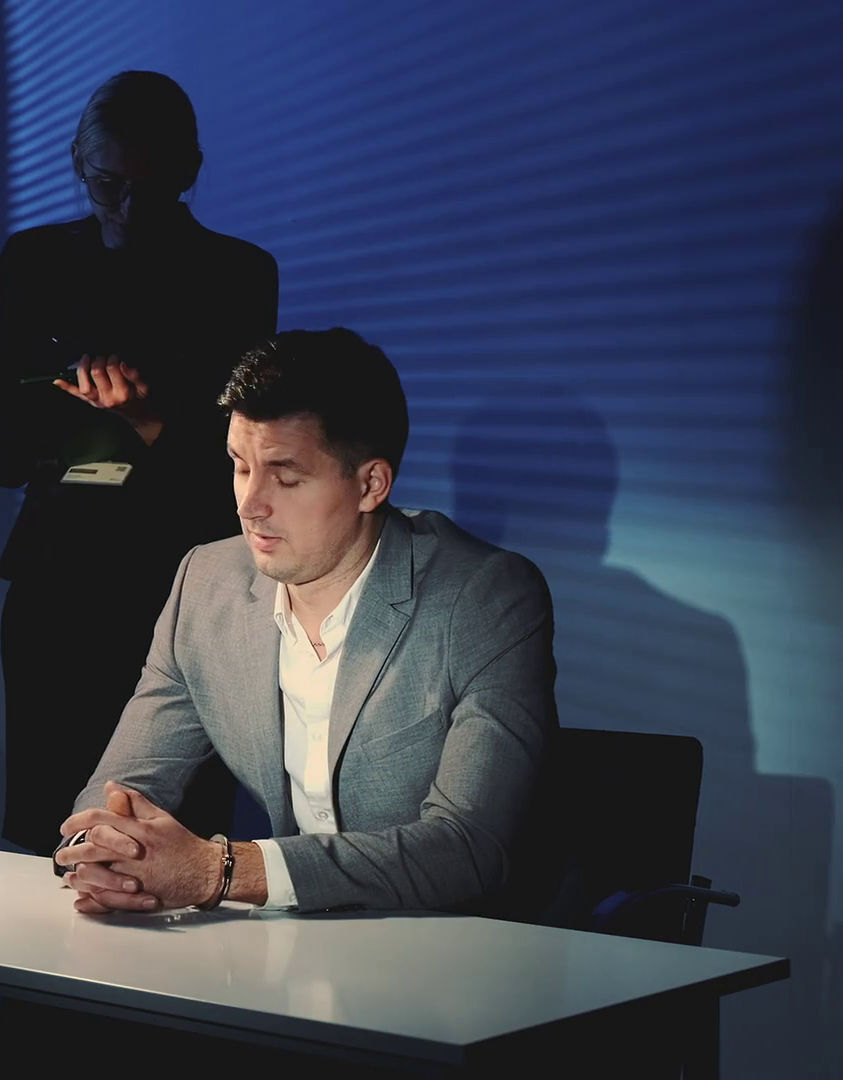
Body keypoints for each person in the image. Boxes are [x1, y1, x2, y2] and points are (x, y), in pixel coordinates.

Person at [56, 329, 557, 915]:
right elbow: (122, 788)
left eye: (286, 478)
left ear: (371, 484)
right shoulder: (206, 580)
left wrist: (219, 870)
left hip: (461, 954)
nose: (249, 503)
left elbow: (469, 849)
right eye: (240, 467)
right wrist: (103, 853)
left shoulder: (485, 596)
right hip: (294, 950)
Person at [0, 70, 279, 854]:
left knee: (177, 835)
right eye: (108, 184)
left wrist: (149, 422)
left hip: (178, 585)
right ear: (80, 165)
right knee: (49, 829)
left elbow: (245, 473)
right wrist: (62, 409)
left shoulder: (236, 273)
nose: (128, 210)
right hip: (57, 582)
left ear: (188, 174)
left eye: (151, 188)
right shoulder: (35, 261)